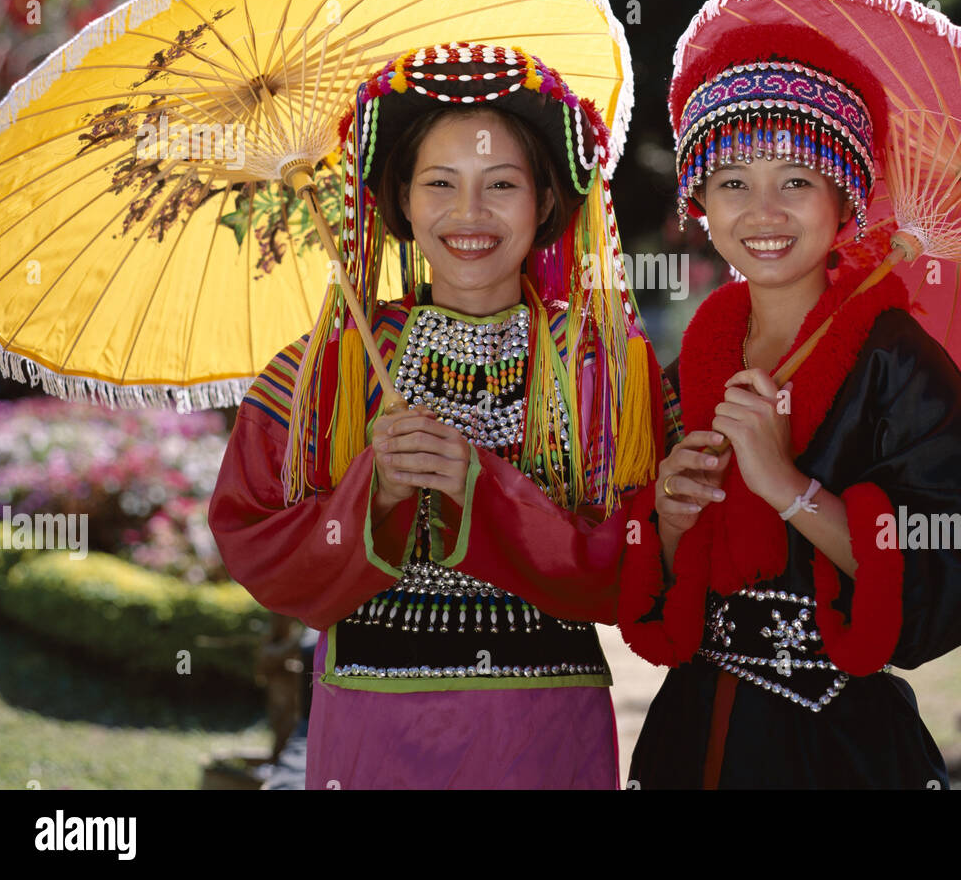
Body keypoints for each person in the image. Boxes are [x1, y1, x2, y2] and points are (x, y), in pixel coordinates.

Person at [210, 43, 670, 789]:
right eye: (439, 184)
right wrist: (375, 493)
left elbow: (642, 566)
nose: (469, 213)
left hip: (541, 735)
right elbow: (253, 541)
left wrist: (484, 491)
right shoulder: (329, 368)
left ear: (546, 201)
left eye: (502, 184)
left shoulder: (603, 370)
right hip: (371, 730)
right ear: (400, 201)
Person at [617, 19, 961, 789]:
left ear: (845, 199)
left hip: (840, 745)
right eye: (732, 180)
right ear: (699, 199)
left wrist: (789, 488)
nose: (762, 210)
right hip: (694, 734)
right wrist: (670, 524)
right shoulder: (688, 368)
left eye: (796, 180)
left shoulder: (897, 361)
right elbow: (660, 571)